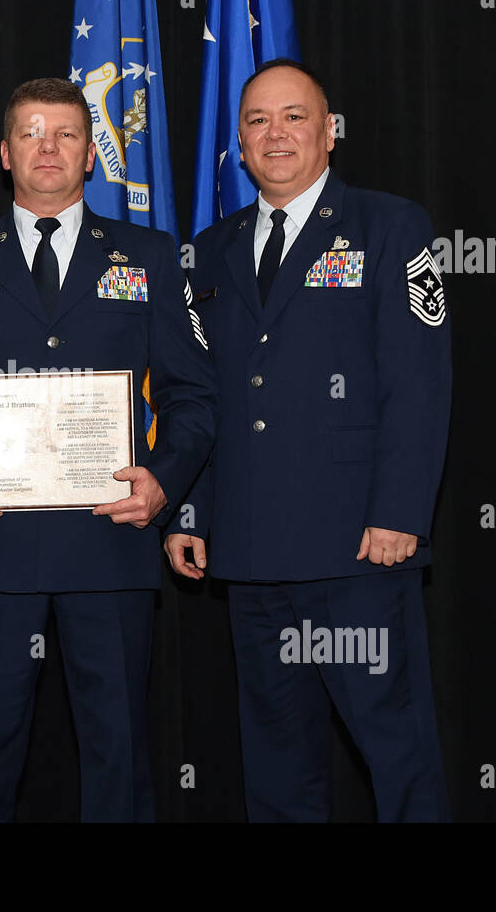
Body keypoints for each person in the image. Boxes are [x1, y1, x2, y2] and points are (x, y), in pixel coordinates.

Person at [0, 77, 216, 822]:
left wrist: (165, 484)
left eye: (67, 133)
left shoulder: (151, 256)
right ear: (4, 153)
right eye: (32, 133)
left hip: (111, 540)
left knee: (119, 762)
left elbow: (193, 396)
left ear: (90, 155)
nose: (49, 147)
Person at [165, 59, 452, 822]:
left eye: (294, 117)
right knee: (277, 766)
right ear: (240, 142)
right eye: (258, 120)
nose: (276, 134)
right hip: (253, 550)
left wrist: (401, 512)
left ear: (329, 131)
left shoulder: (390, 227)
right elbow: (206, 395)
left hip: (357, 545)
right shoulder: (210, 249)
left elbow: (418, 386)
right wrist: (192, 513)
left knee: (397, 753)